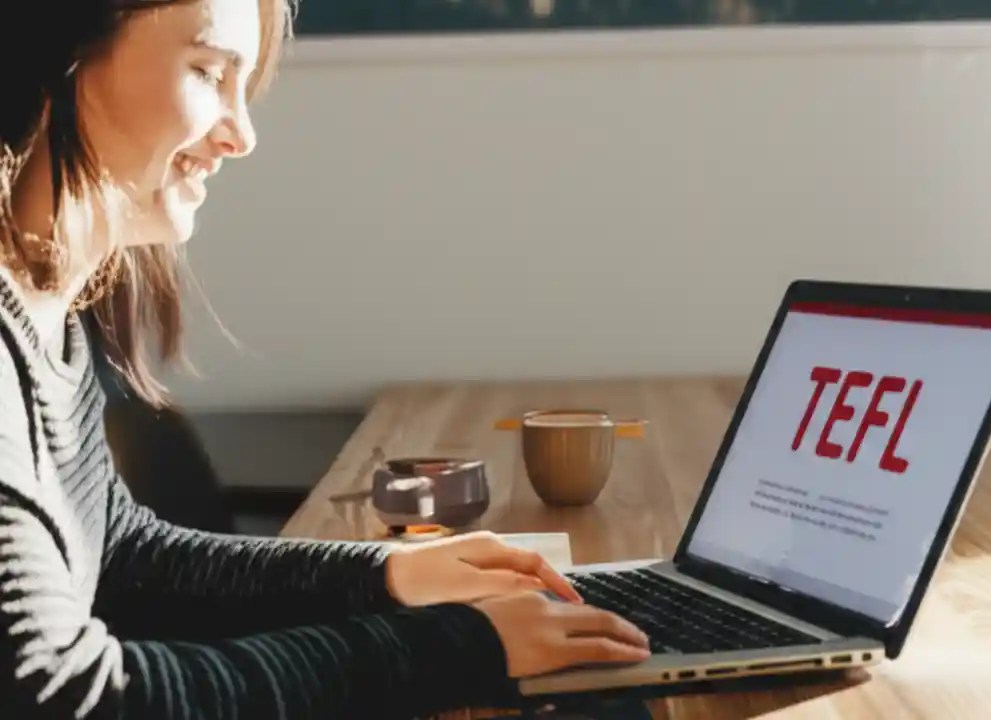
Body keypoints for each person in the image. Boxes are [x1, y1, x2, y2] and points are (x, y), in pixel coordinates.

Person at [0, 1, 651, 718]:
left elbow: (121, 562)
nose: (241, 134)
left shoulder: (45, 307)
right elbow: (54, 694)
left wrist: (390, 576)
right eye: (206, 71)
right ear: (58, 50)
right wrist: (460, 648)